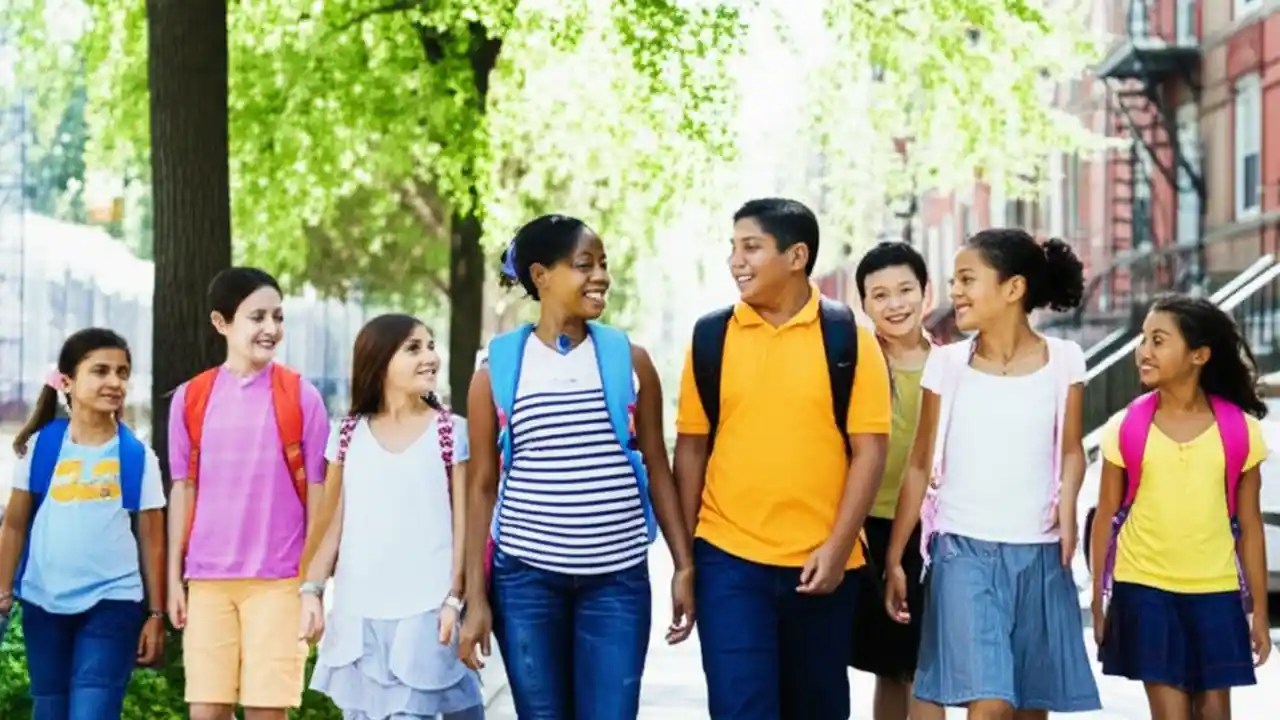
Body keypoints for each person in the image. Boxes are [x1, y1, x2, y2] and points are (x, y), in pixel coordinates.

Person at [456, 214, 695, 718]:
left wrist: (684, 564)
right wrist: (475, 599)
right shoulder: (496, 370)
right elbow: (481, 487)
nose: (600, 276)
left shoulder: (631, 361)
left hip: (617, 582)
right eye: (584, 265)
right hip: (525, 582)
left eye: (603, 264)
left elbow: (658, 465)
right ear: (540, 276)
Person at [675, 198, 892, 719]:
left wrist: (837, 549)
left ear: (796, 256)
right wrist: (686, 561)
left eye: (751, 247)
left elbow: (871, 451)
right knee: (740, 709)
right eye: (733, 247)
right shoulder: (710, 338)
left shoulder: (850, 340)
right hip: (729, 561)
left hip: (823, 566)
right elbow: (691, 450)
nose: (736, 261)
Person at [884, 228, 1102, 718]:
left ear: (1013, 288)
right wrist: (896, 557)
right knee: (992, 704)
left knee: (1029, 707)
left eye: (967, 279)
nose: (955, 292)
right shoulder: (946, 365)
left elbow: (1071, 450)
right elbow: (918, 465)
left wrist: (1068, 505)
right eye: (954, 281)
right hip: (962, 551)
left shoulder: (1065, 360)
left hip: (1041, 554)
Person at [1091, 295, 1272, 719]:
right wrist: (1100, 599)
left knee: (1215, 712)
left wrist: (1260, 613)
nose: (1144, 351)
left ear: (1199, 355)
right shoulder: (1125, 427)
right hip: (1144, 589)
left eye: (1158, 341)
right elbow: (1105, 519)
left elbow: (1250, 526)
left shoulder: (1240, 432)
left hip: (1217, 592)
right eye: (1143, 340)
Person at [301, 314, 484, 720]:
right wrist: (311, 591)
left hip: (427, 613)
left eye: (431, 346)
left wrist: (455, 599)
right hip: (360, 615)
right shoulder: (347, 434)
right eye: (414, 348)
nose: (430, 357)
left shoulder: (450, 432)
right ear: (380, 361)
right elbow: (332, 525)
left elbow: (464, 528)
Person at [166, 267, 330, 720]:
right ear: (221, 323)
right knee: (206, 711)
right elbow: (183, 489)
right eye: (257, 317)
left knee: (266, 713)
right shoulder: (190, 398)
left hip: (280, 582)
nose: (270, 328)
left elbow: (320, 497)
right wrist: (173, 580)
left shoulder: (302, 397)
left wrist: (313, 587)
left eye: (278, 316)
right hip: (207, 583)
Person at [0, 328, 166, 719]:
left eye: (122, 373)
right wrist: (3, 592)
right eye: (100, 371)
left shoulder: (137, 456)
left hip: (114, 601)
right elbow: (14, 525)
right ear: (67, 382)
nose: (115, 382)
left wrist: (156, 614)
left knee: (93, 711)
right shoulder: (40, 447)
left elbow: (152, 540)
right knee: (50, 709)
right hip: (43, 601)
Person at [850, 241, 943, 720]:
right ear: (864, 304)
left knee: (925, 665)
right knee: (888, 666)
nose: (895, 304)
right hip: (869, 525)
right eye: (880, 295)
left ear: (927, 294)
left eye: (906, 290)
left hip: (933, 529)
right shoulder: (856, 365)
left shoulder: (950, 365)